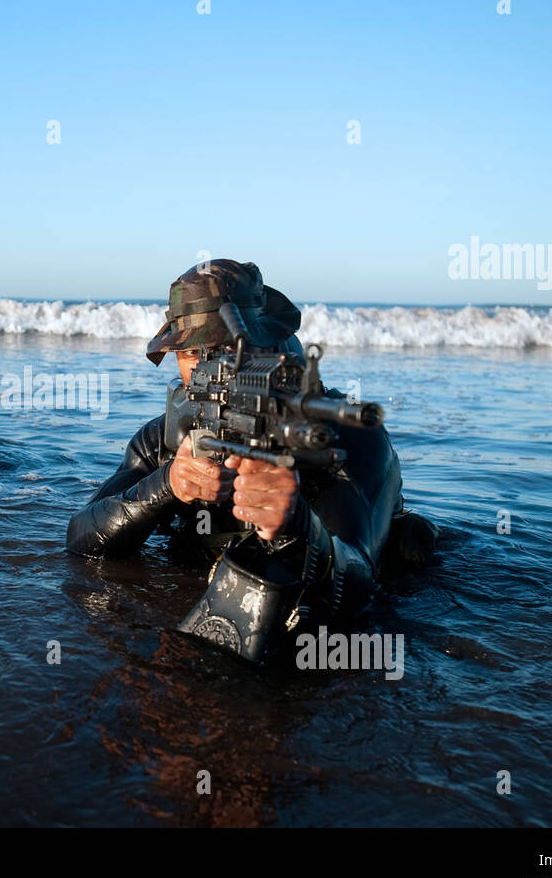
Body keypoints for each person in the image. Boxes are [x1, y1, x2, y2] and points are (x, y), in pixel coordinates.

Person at [65, 259, 436, 664]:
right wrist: (167, 485)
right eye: (191, 353)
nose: (210, 367)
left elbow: (358, 579)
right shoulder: (166, 436)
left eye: (229, 350)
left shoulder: (346, 439)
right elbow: (83, 539)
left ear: (270, 342)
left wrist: (297, 528)